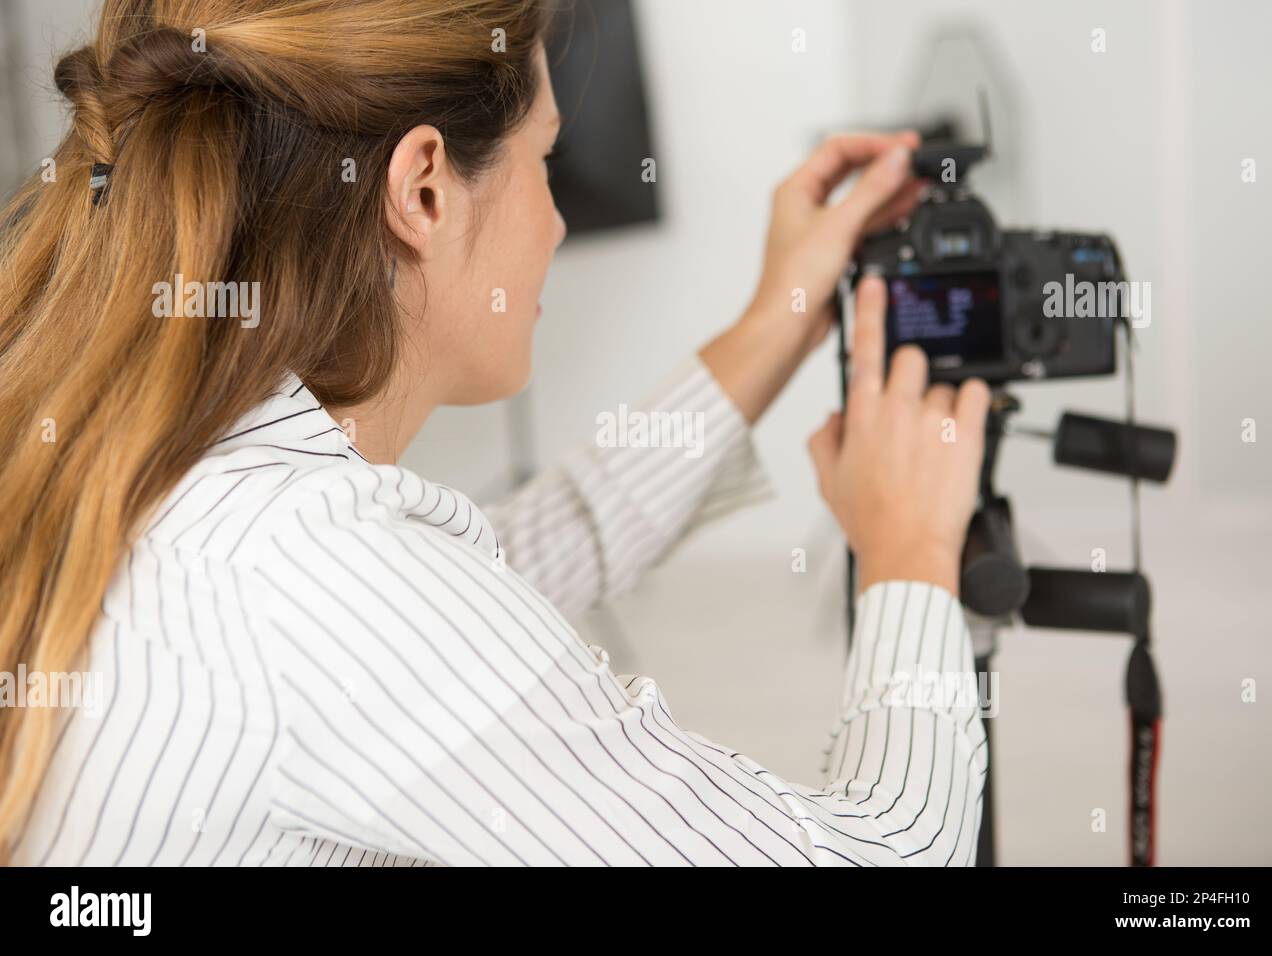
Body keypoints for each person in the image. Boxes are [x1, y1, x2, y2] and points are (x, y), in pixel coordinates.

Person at [0, 0, 990, 866]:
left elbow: (530, 556)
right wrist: (911, 552)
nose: (556, 222)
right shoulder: (325, 578)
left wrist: (780, 315)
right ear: (424, 188)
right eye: (543, 159)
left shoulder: (156, 464)